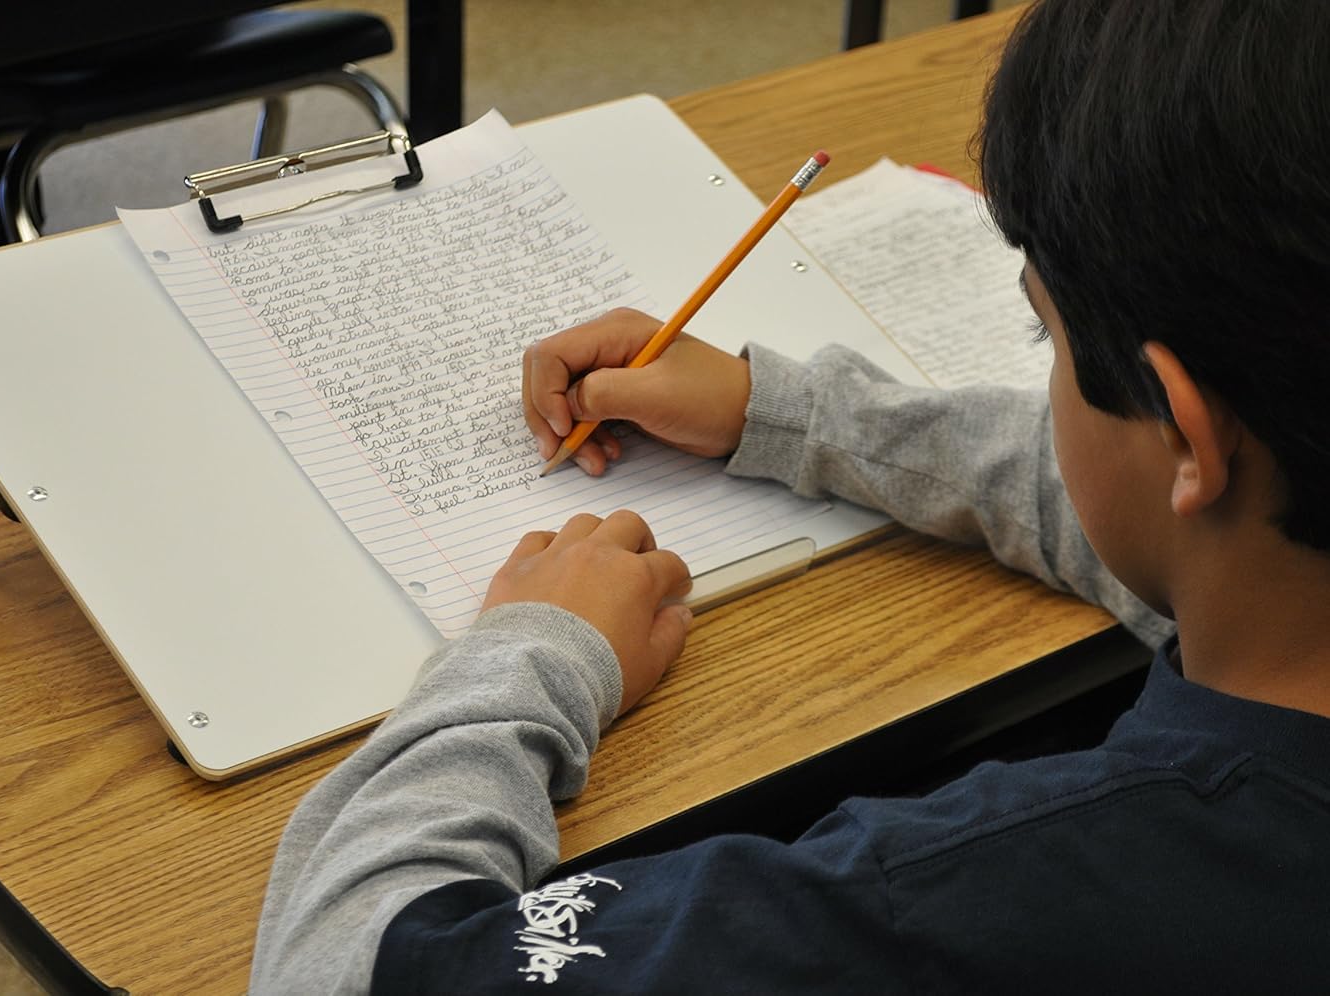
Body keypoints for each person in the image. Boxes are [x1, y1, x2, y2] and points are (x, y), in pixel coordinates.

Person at [250, 0, 1330, 990]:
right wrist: (783, 414)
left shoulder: (951, 900)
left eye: (1041, 333)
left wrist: (534, 652)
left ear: (1183, 431)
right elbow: (1159, 500)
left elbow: (338, 963)